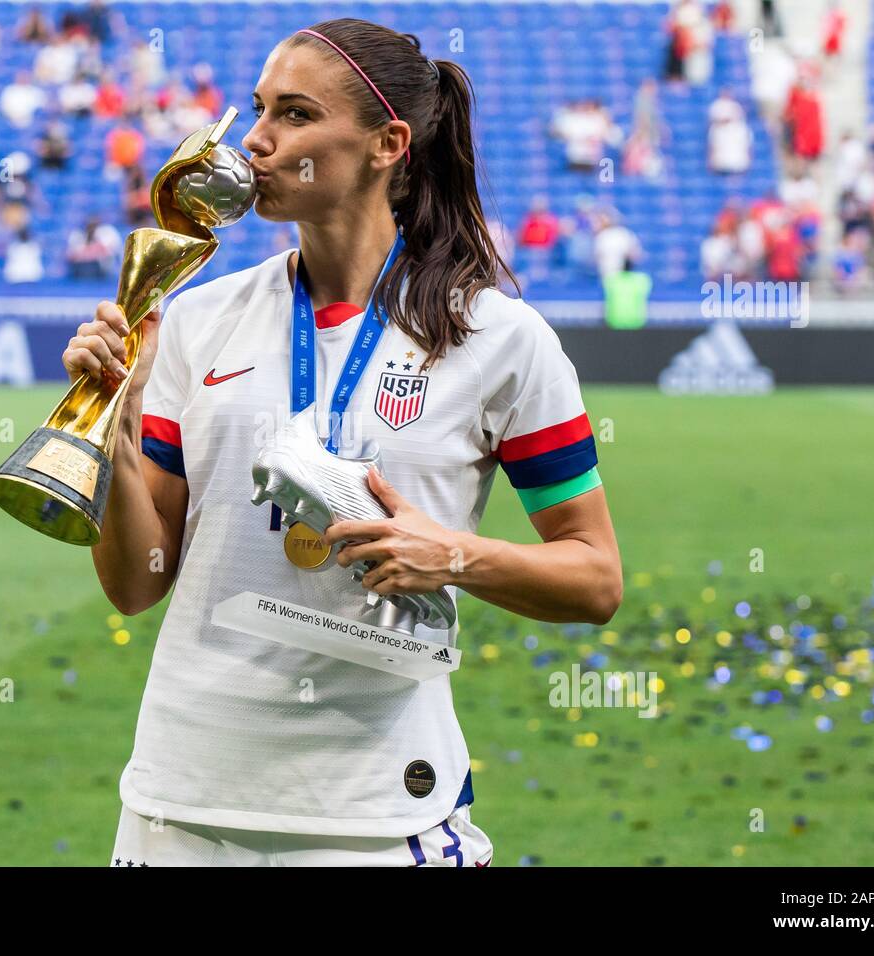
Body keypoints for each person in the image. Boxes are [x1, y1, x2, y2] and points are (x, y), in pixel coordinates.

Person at [60, 18, 621, 867]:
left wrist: (456, 557)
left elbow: (595, 578)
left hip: (376, 820)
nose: (254, 139)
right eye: (257, 109)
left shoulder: (502, 341)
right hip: (180, 807)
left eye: (292, 114)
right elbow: (139, 585)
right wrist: (115, 432)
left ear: (386, 143)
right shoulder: (197, 321)